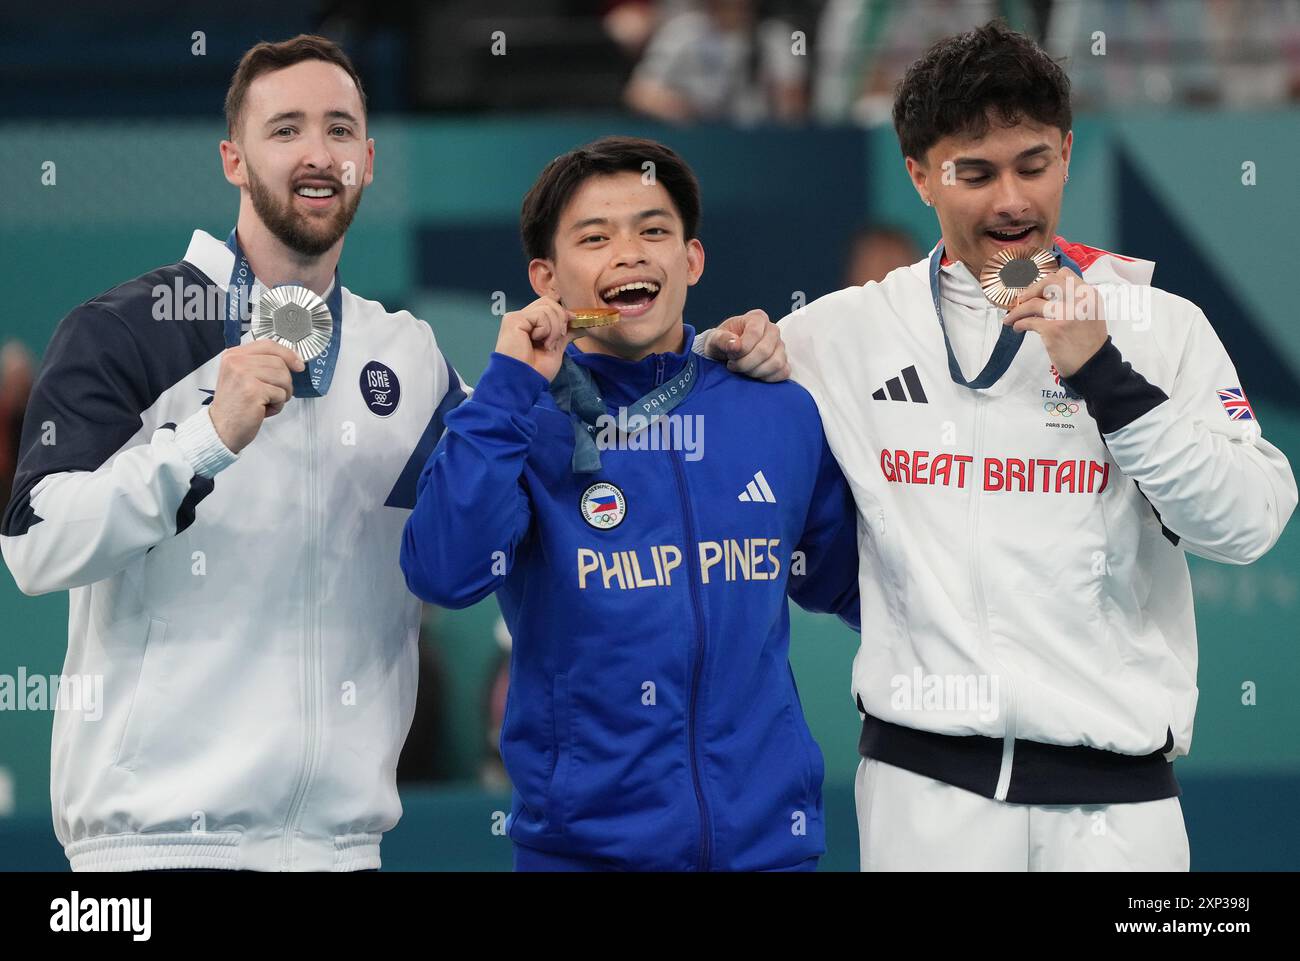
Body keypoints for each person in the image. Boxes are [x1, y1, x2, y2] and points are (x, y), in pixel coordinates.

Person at [0, 36, 785, 872]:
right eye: (286, 129)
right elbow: (36, 545)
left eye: (340, 131)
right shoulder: (124, 329)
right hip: (152, 849)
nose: (317, 153)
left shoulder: (407, 358)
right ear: (233, 157)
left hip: (343, 849)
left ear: (369, 161)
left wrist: (708, 362)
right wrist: (202, 441)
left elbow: (504, 503)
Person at [768, 20, 1297, 870]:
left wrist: (1108, 379)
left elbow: (1247, 522)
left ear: (1067, 153)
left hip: (1121, 812)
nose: (1011, 200)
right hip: (923, 801)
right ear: (920, 176)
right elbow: (687, 380)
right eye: (974, 173)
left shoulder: (1158, 325)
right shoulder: (847, 331)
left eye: (1033, 165)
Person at [400, 136, 859, 872]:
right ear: (546, 279)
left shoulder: (775, 411)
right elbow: (444, 573)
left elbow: (858, 586)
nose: (630, 252)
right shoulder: (520, 422)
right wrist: (509, 388)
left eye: (654, 230)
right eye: (595, 236)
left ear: (692, 260)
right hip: (584, 855)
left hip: (772, 851)